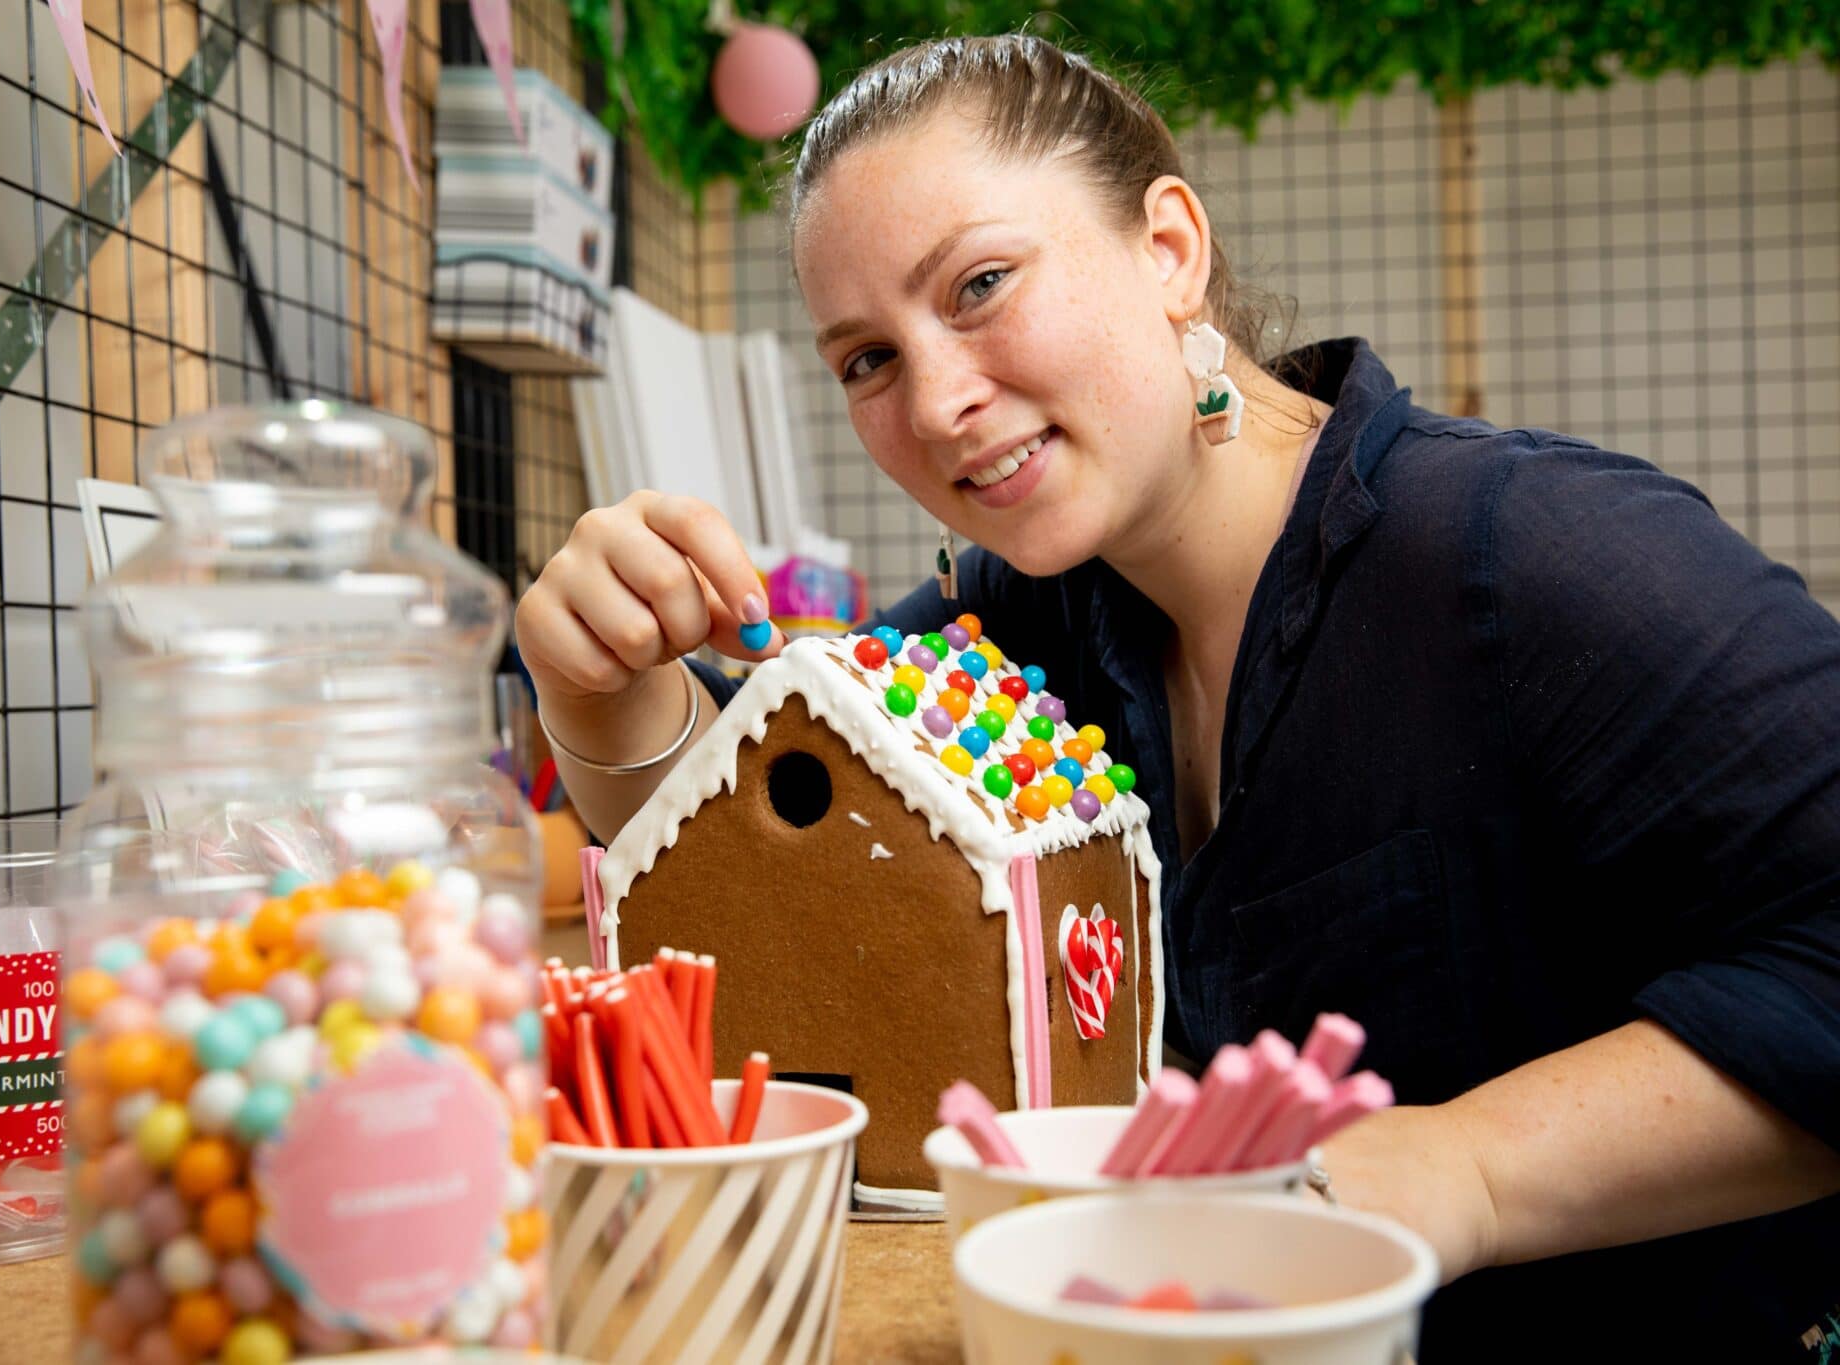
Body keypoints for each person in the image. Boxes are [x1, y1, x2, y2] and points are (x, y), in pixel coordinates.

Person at [514, 34, 1840, 1359]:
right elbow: (767, 845)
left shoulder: (1528, 553)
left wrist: (1465, 1167)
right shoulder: (1027, 618)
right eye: (865, 358)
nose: (936, 398)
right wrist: (608, 697)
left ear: (1167, 247)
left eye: (980, 283)